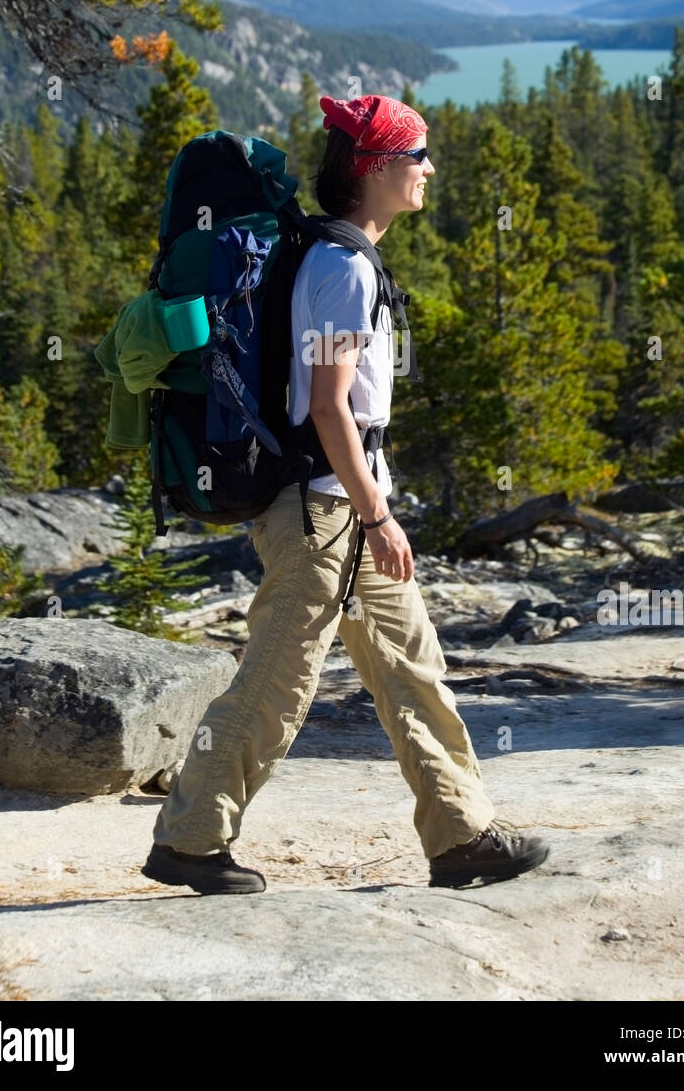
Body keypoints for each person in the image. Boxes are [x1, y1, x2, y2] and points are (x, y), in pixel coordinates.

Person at [142, 94, 550, 894]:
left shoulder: (348, 258)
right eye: (416, 157)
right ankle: (189, 840)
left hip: (343, 504)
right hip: (325, 513)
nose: (429, 170)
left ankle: (460, 833)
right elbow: (328, 407)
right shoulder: (341, 268)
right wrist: (377, 512)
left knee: (411, 670)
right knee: (276, 681)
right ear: (374, 169)